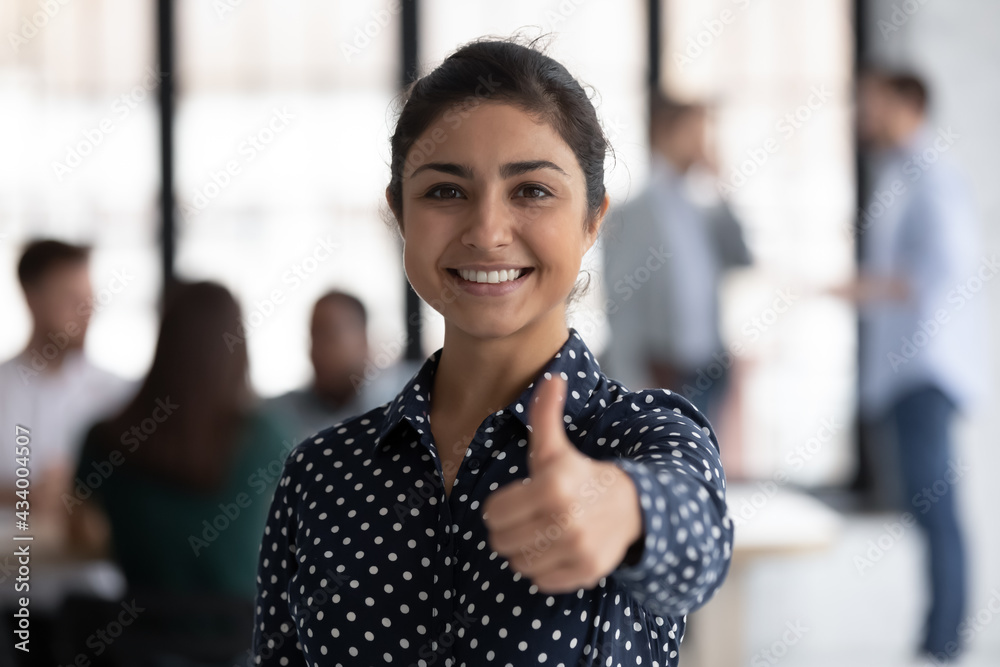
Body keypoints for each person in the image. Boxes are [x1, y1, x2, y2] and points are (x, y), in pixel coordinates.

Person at [252, 37, 733, 666]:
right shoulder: (319, 476)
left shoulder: (642, 436)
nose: (486, 231)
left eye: (531, 190)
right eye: (445, 192)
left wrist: (624, 510)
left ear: (593, 219)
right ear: (399, 213)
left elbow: (697, 543)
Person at [844, 67, 987, 663]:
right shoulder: (899, 172)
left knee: (937, 508)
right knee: (928, 507)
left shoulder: (934, 175)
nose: (863, 114)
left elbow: (943, 269)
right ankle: (938, 637)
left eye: (872, 103)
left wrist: (857, 288)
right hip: (906, 368)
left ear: (907, 103)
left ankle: (943, 642)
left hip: (925, 368)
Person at [69, 281, 288, 602]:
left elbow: (79, 533)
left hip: (141, 637)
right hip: (240, 639)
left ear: (163, 340)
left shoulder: (106, 438)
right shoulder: (265, 436)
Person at [602, 94, 751, 423]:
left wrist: (722, 185)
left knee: (703, 471)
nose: (702, 143)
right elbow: (621, 300)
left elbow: (742, 258)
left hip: (710, 369)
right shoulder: (632, 214)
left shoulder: (703, 208)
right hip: (662, 374)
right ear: (663, 134)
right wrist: (634, 384)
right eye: (694, 131)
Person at [0, 239, 135, 516]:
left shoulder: (118, 395)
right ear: (31, 298)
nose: (86, 315)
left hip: (92, 560)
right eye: (71, 301)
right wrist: (23, 494)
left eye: (89, 301)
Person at [263, 290, 416, 444]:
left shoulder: (404, 399)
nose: (317, 349)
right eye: (313, 336)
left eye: (329, 336)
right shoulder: (281, 414)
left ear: (363, 341)